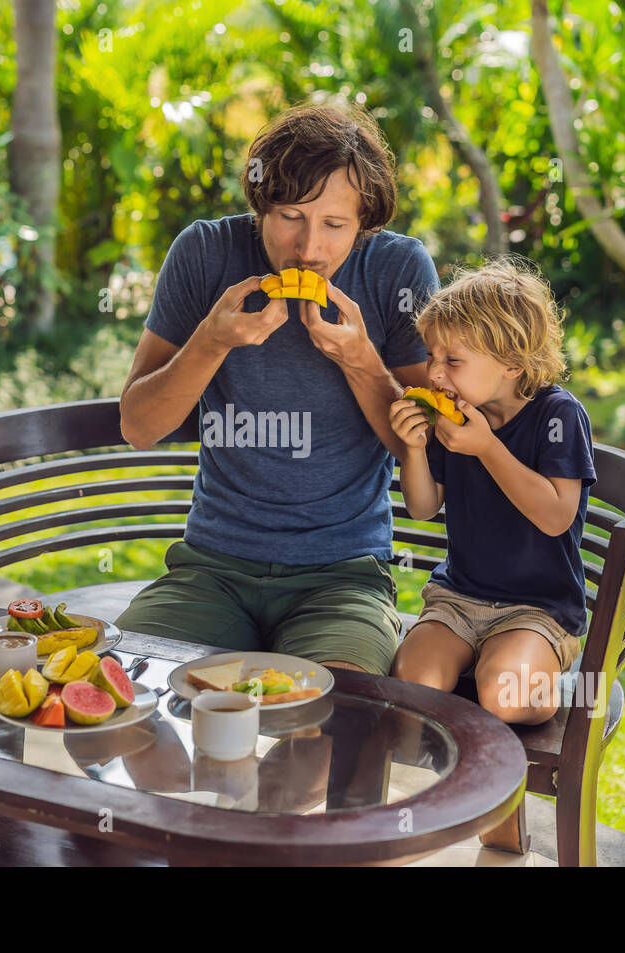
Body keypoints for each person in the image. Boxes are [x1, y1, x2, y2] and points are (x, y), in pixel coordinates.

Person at [115, 101, 438, 675]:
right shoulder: (205, 253)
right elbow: (139, 427)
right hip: (211, 567)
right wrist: (210, 343)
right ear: (261, 203)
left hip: (343, 575)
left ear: (364, 224)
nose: (310, 248)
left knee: (340, 718)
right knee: (134, 691)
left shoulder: (398, 270)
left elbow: (426, 452)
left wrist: (362, 361)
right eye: (291, 216)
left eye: (335, 225)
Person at [388, 257, 596, 850]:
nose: (435, 373)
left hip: (537, 610)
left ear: (513, 364)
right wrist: (412, 450)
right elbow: (425, 507)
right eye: (433, 358)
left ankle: (541, 677)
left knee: (502, 693)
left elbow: (556, 515)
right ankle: (422, 812)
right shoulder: (456, 421)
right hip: (460, 597)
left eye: (452, 361)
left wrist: (485, 448)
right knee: (414, 680)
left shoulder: (558, 417)